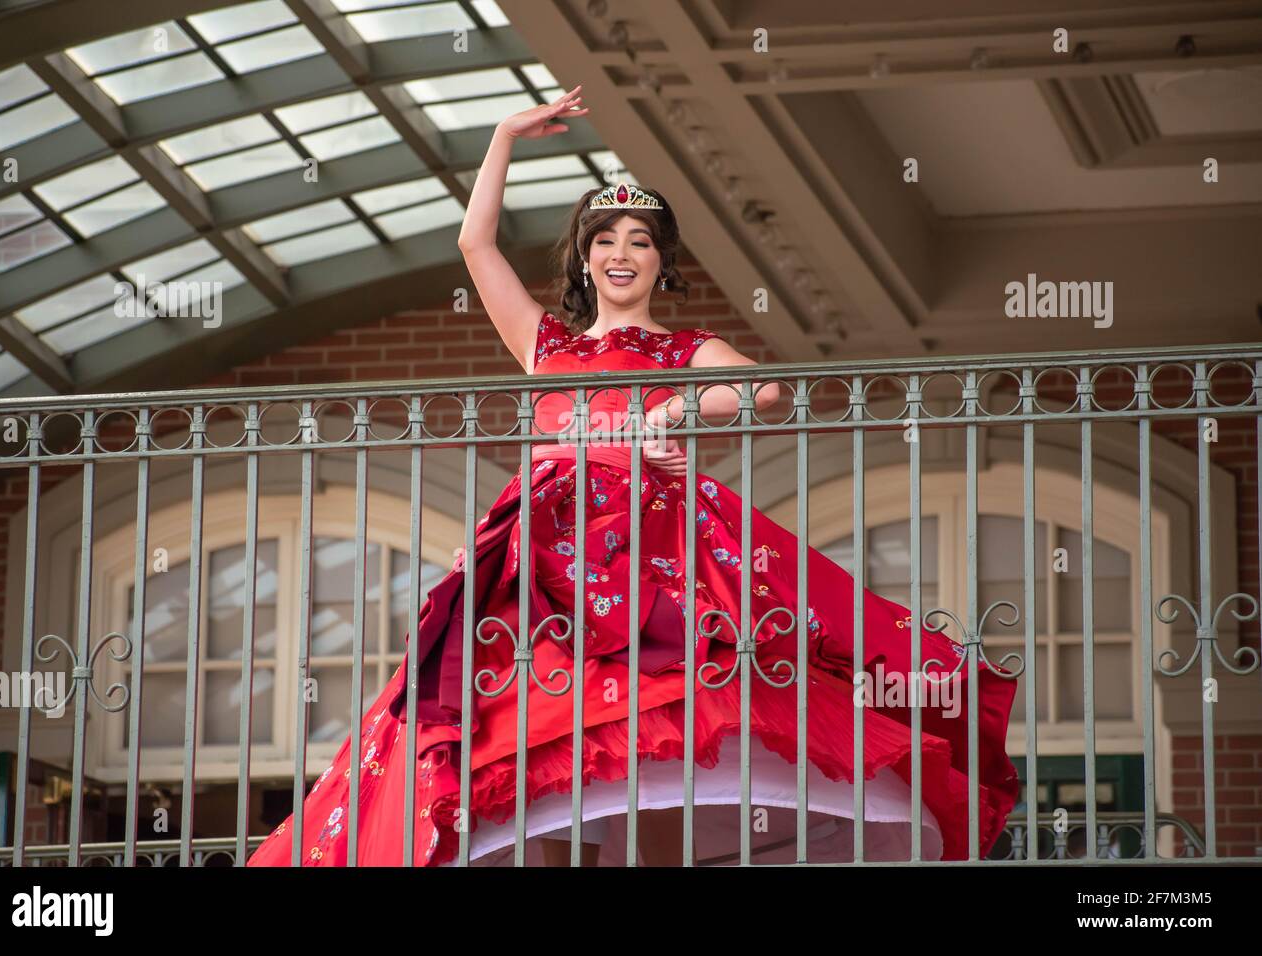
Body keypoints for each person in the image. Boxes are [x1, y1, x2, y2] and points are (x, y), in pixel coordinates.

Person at [247, 85, 1020, 867]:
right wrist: (507, 133)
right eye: (606, 238)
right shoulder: (544, 344)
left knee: (657, 732)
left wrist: (672, 416)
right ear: (585, 258)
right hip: (543, 546)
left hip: (648, 542)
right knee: (525, 730)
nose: (622, 252)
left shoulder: (684, 351)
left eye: (641, 241)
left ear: (662, 261)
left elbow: (768, 389)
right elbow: (476, 245)